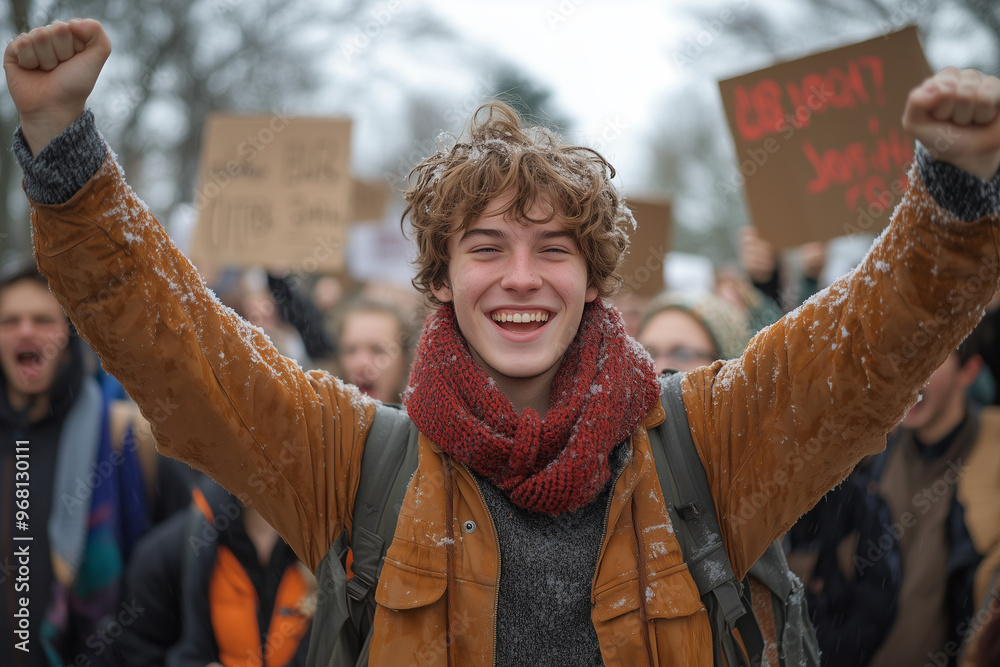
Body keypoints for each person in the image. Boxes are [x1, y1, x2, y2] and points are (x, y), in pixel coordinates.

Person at [5, 19, 1000, 666]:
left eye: (553, 248)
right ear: (439, 279)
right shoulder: (353, 461)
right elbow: (180, 351)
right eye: (486, 247)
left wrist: (951, 197)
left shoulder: (710, 442)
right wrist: (67, 159)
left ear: (594, 279)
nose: (520, 276)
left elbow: (866, 348)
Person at [0, 260, 147, 667]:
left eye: (42, 319)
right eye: (10, 320)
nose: (26, 330)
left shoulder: (119, 434)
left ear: (68, 334)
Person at [866, 321, 998, 667]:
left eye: (931, 357)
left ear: (969, 371)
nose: (911, 373)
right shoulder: (870, 452)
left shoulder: (991, 461)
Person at [332, 297, 414, 404]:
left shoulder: (425, 418)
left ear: (404, 361)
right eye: (350, 350)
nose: (361, 362)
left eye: (377, 350)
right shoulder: (317, 416)